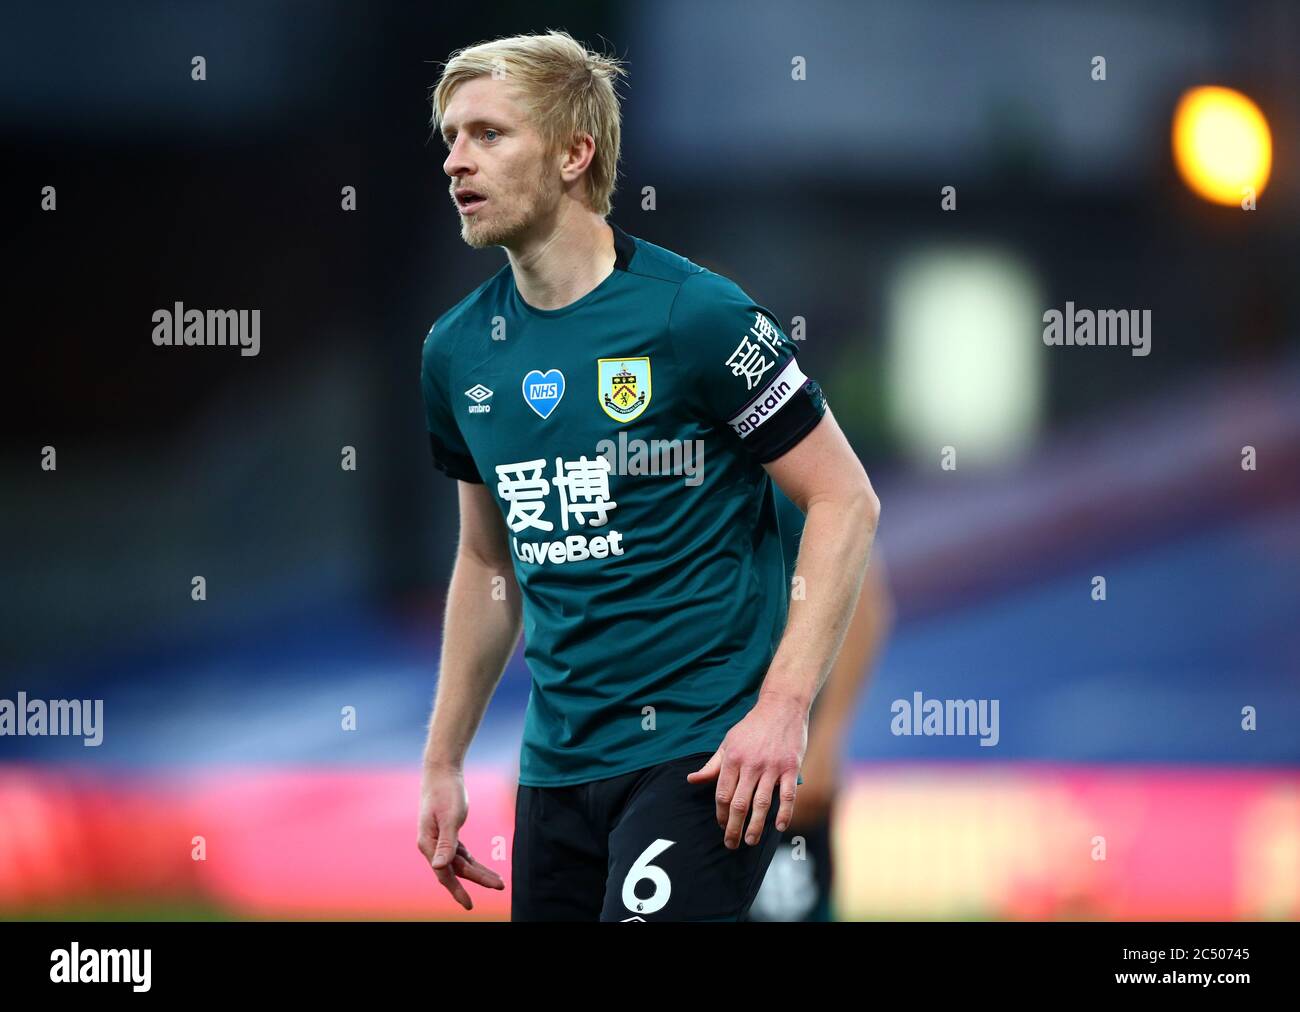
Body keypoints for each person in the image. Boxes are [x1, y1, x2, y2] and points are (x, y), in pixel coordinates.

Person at [415, 30, 880, 921]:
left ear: (573, 154)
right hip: (555, 771)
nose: (455, 162)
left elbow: (844, 498)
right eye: (450, 137)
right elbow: (487, 563)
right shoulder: (456, 351)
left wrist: (783, 707)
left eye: (487, 134)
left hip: (702, 756)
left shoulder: (696, 316)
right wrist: (443, 759)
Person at [745, 488, 894, 921]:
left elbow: (862, 596)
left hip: (777, 768)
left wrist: (826, 742)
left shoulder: (777, 465)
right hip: (679, 765)